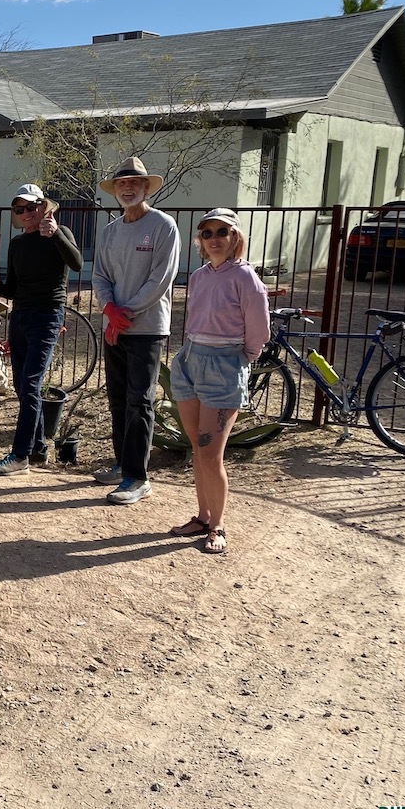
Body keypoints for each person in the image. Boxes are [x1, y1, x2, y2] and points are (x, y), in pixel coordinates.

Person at [167, 209, 270, 554]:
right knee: (198, 448)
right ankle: (202, 516)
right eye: (207, 233)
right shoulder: (198, 276)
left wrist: (240, 361)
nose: (214, 239)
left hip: (224, 365)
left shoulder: (246, 278)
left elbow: (258, 332)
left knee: (211, 455)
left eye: (221, 232)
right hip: (191, 359)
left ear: (235, 237)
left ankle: (218, 525)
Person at [90, 156, 180, 504]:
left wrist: (127, 312)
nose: (128, 189)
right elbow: (100, 275)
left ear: (146, 188)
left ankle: (138, 477)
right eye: (121, 184)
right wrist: (110, 310)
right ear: (115, 192)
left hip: (147, 328)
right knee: (117, 398)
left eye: (134, 184)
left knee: (140, 401)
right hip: (114, 328)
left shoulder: (163, 226)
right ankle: (121, 464)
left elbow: (161, 278)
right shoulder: (110, 231)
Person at [0, 184, 82, 474]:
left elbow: (76, 263)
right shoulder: (17, 244)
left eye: (30, 207)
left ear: (42, 207)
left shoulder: (59, 235)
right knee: (23, 385)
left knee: (32, 385)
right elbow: (13, 288)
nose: (25, 213)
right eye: (19, 209)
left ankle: (20, 455)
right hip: (21, 316)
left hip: (47, 316)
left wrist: (57, 235)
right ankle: (37, 450)